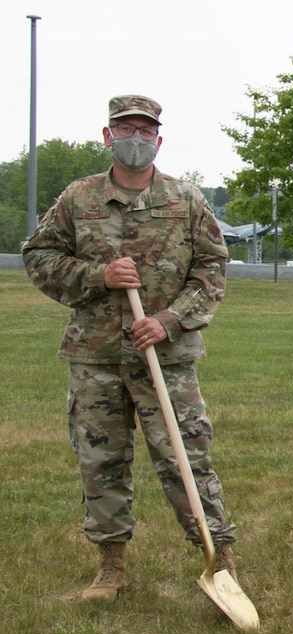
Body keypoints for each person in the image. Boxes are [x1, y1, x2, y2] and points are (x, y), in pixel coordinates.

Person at [22, 95, 239, 601]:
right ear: (107, 136)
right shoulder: (78, 199)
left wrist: (169, 319)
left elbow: (211, 270)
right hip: (97, 357)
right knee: (101, 462)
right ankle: (110, 563)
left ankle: (218, 555)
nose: (135, 139)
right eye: (126, 129)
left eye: (145, 131)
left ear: (158, 141)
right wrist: (97, 275)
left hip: (167, 358)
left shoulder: (186, 201)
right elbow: (38, 257)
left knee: (186, 457)